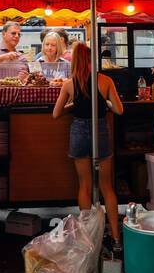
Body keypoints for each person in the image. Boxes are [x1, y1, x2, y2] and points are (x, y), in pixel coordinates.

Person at [53, 41, 124, 247]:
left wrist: (73, 104)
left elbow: (56, 114)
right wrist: (106, 103)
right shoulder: (105, 81)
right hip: (100, 131)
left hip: (79, 132)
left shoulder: (69, 84)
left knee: (84, 186)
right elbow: (119, 110)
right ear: (93, 60)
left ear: (74, 61)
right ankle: (116, 238)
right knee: (107, 188)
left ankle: (87, 239)